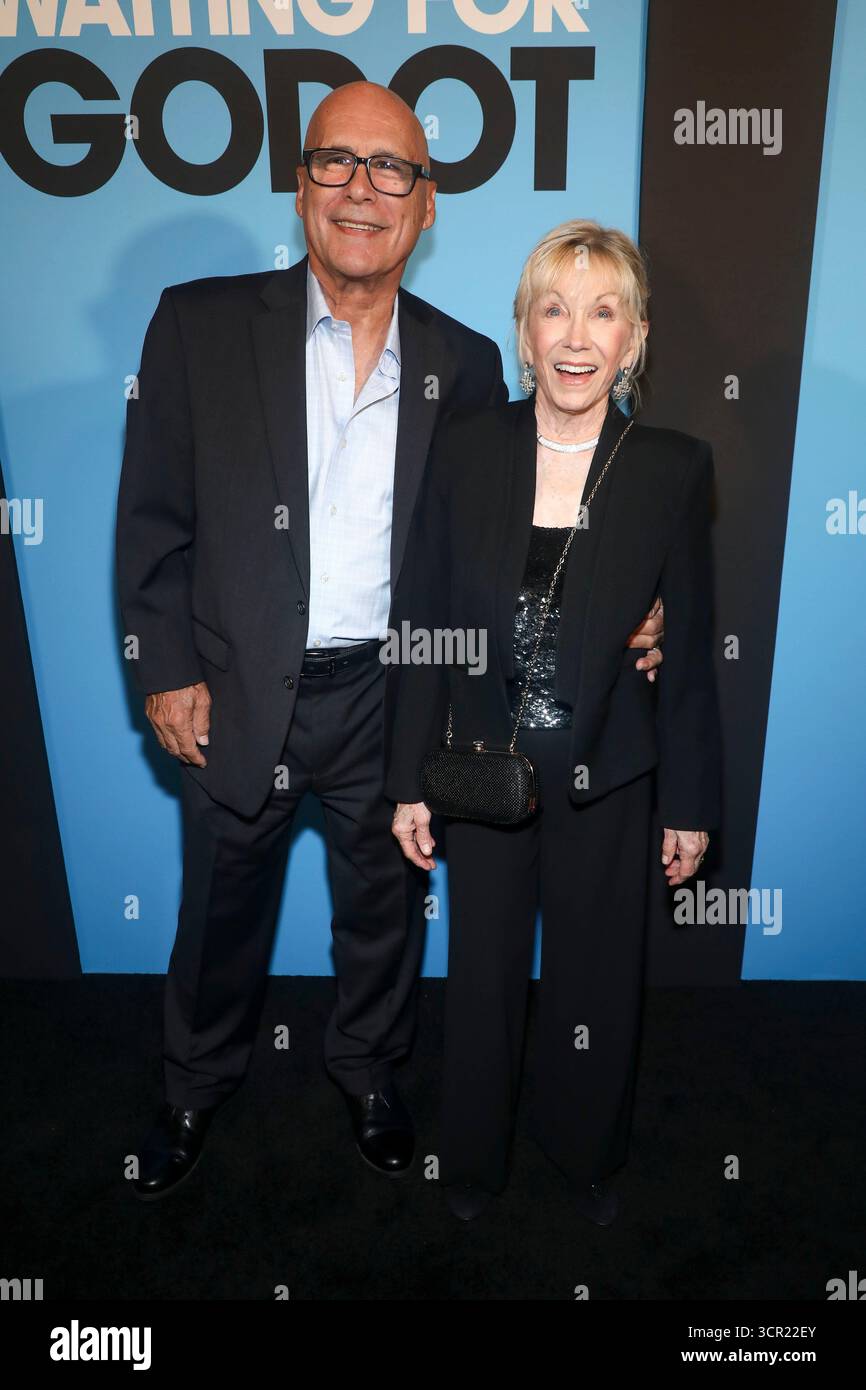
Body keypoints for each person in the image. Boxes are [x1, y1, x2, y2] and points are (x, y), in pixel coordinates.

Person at [116, 83, 664, 1201]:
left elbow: (513, 531)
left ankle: (367, 1070)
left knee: (385, 909)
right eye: (337, 162)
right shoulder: (197, 324)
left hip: (396, 693)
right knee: (218, 911)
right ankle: (190, 1084)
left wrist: (621, 614)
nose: (361, 189)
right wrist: (164, 665)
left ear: (425, 208)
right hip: (237, 686)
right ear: (301, 181)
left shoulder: (463, 365)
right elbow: (152, 518)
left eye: (391, 171)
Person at [387, 219, 722, 1225]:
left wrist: (691, 803)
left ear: (634, 340)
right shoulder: (464, 449)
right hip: (481, 770)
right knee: (480, 980)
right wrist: (407, 772)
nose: (576, 336)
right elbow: (423, 621)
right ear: (524, 335)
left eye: (603, 311)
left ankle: (583, 1150)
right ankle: (474, 1162)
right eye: (553, 309)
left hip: (608, 775)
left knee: (595, 983)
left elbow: (692, 651)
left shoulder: (670, 465)